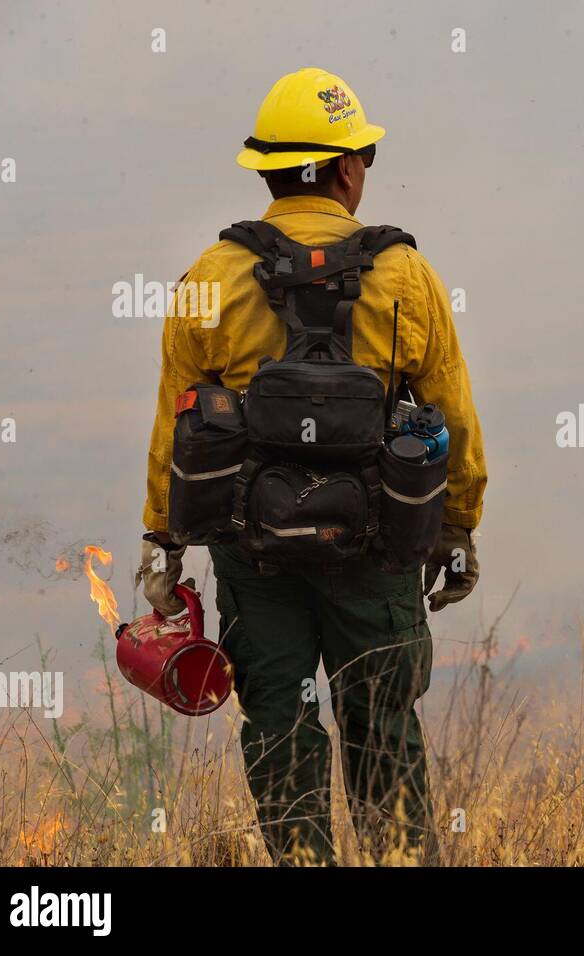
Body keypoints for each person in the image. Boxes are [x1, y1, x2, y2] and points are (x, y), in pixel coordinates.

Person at [137, 67, 487, 864]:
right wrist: (459, 527)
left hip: (255, 556)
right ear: (345, 168)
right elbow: (454, 418)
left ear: (266, 169)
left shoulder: (210, 277)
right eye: (361, 156)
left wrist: (163, 543)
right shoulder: (407, 275)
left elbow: (174, 422)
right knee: (385, 727)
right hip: (378, 551)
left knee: (279, 727)